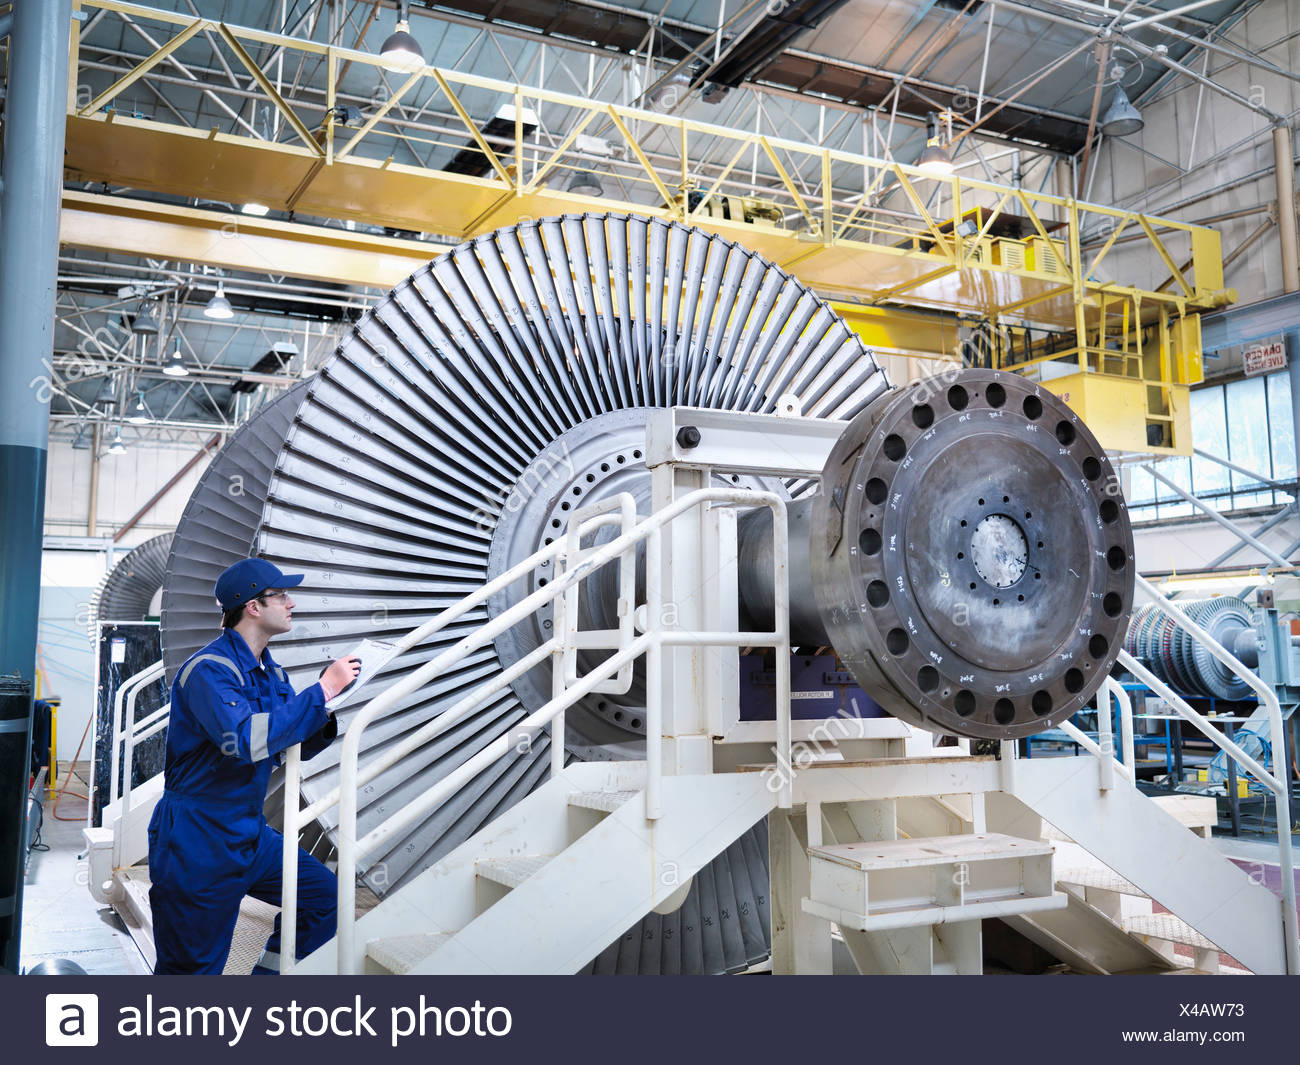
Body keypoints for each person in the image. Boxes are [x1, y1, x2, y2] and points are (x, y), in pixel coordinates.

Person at [147, 557, 360, 975]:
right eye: (281, 595)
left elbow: (286, 743)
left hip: (247, 832)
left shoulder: (269, 672)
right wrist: (320, 691)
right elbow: (245, 740)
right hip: (198, 839)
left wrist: (327, 704)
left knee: (326, 901)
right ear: (253, 607)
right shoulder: (209, 671)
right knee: (192, 969)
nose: (291, 603)